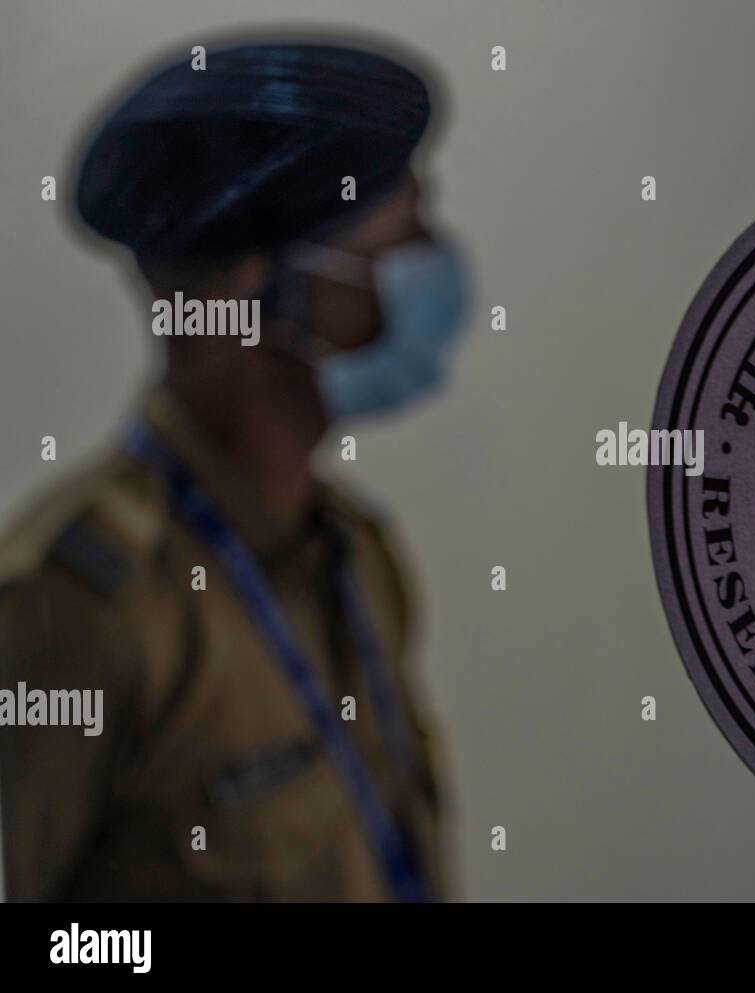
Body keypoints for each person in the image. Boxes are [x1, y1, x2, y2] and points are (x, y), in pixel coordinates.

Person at [0, 41, 469, 901]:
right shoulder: (69, 604)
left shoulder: (355, 554)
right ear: (254, 294)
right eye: (401, 242)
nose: (438, 265)